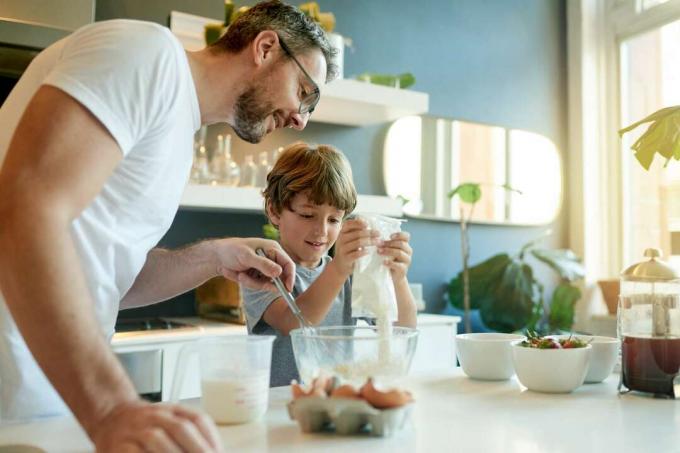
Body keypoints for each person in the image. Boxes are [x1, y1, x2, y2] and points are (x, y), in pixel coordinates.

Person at [0, 1, 337, 451]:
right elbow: (23, 211)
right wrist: (110, 408)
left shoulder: (179, 134)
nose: (300, 119)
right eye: (304, 91)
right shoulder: (147, 53)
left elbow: (106, 279)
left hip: (42, 400)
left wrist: (215, 256)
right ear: (265, 47)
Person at [242, 142, 417, 386]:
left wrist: (397, 278)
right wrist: (338, 269)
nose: (321, 231)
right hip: (278, 405)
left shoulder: (349, 273)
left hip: (334, 401)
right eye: (307, 215)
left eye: (334, 219)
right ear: (274, 211)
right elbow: (294, 324)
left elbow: (402, 328)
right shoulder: (262, 268)